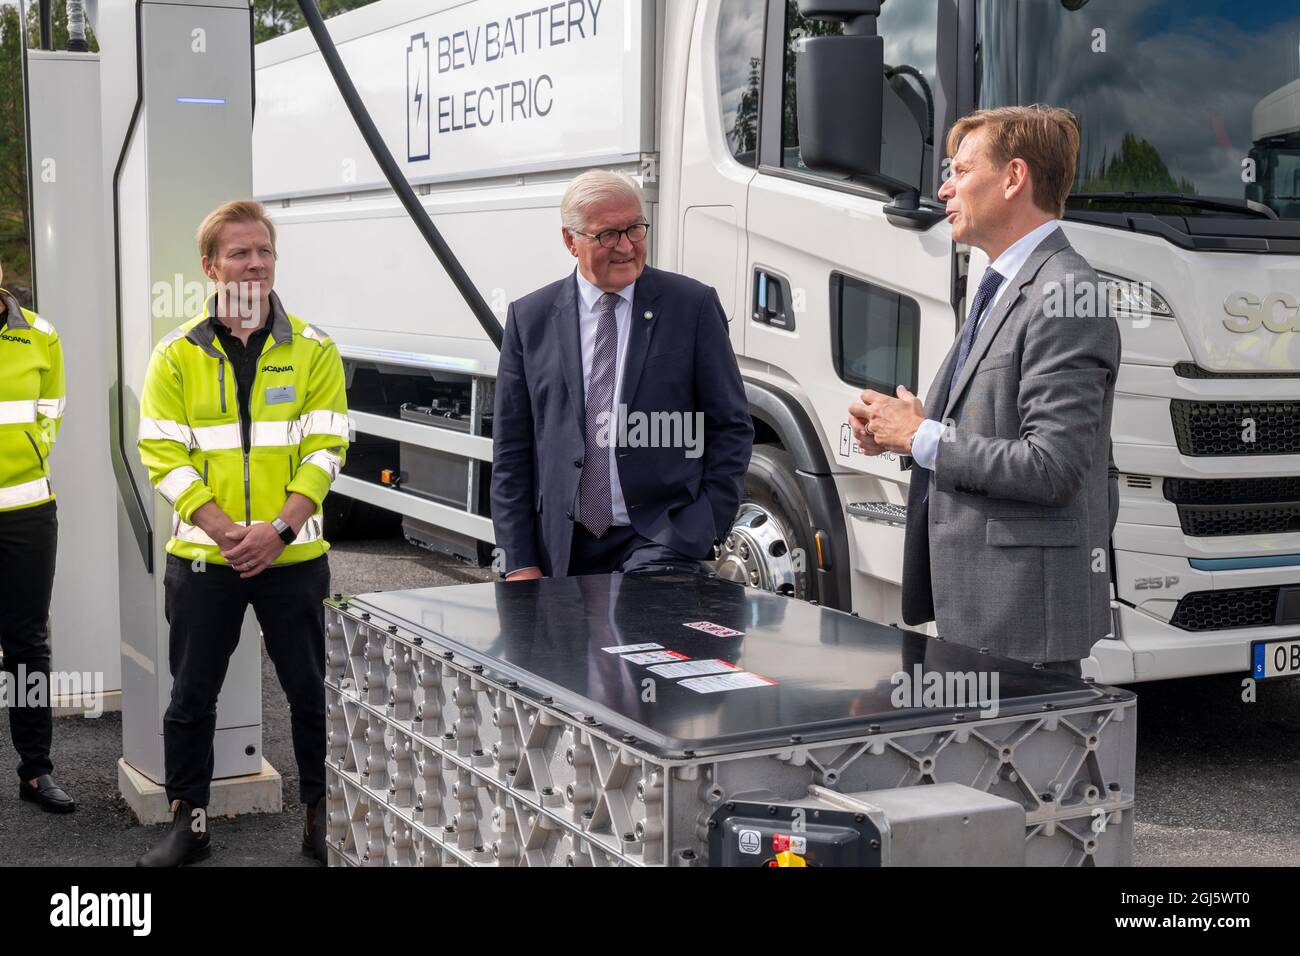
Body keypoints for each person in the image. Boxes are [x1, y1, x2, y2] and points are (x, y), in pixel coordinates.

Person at [849, 106, 1120, 676]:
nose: (944, 187)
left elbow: (1053, 466)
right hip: (987, 611)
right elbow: (997, 426)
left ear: (1014, 177)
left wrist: (922, 436)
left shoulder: (1064, 293)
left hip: (1023, 624)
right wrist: (906, 431)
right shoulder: (1008, 282)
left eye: (961, 170)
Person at [134, 201, 349, 866]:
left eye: (264, 251)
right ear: (210, 266)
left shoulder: (314, 349)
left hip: (294, 557)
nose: (255, 263)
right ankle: (189, 823)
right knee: (191, 699)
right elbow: (162, 454)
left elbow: (326, 448)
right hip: (206, 557)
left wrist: (279, 530)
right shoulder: (175, 356)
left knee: (311, 695)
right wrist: (229, 532)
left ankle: (320, 820)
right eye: (239, 253)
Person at [491, 170, 752, 579]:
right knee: (562, 647)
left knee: (651, 640)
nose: (626, 246)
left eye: (635, 229)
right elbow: (511, 450)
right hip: (561, 546)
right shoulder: (530, 319)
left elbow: (730, 426)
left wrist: (703, 524)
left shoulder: (692, 306)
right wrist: (519, 560)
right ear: (570, 241)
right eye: (608, 235)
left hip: (661, 539)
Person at [0, 264, 74, 813]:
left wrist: (25, 455)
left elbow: (50, 413)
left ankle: (35, 771)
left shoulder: (40, 335)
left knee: (26, 643)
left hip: (26, 511)